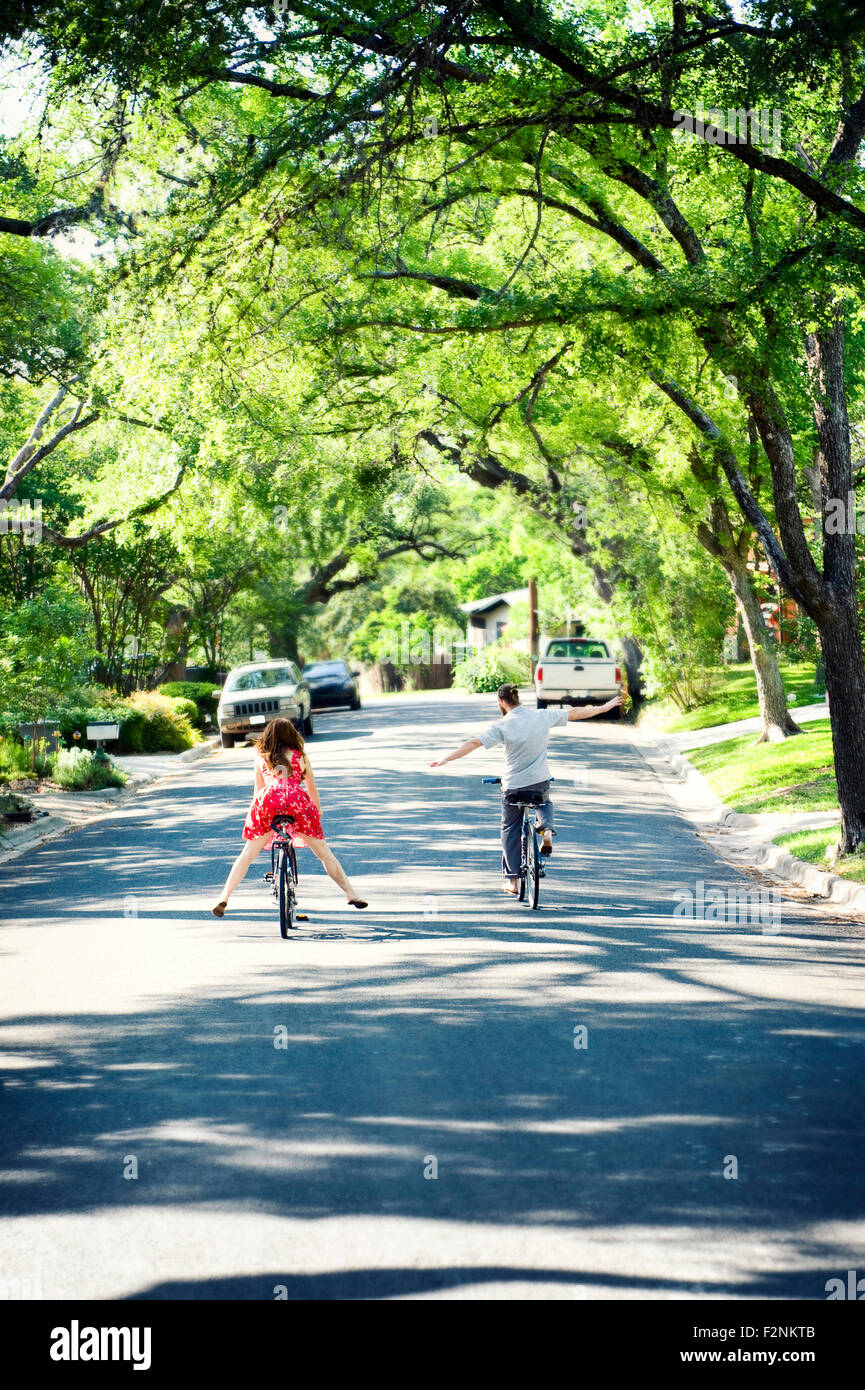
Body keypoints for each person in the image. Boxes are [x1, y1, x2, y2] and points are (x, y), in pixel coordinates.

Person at [430, 682, 623, 895]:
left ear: (501, 702)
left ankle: (512, 882)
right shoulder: (541, 716)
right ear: (518, 698)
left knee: (510, 829)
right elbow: (574, 713)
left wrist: (445, 759)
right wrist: (604, 708)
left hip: (513, 786)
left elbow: (474, 743)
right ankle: (546, 830)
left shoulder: (502, 726)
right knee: (544, 801)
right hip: (538, 782)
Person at [211, 717, 366, 915]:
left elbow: (258, 790)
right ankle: (351, 893)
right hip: (296, 802)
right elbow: (312, 789)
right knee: (324, 854)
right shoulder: (300, 756)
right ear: (292, 735)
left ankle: (224, 897)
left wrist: (254, 814)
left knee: (247, 855)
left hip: (268, 803)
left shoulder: (261, 757)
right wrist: (316, 812)